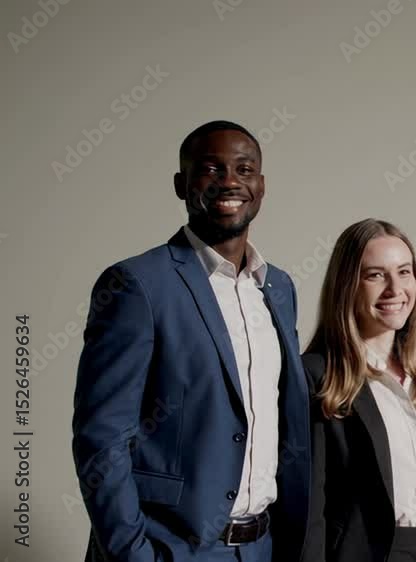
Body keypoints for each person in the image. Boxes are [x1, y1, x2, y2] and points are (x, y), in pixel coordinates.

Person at [72, 121, 311, 561]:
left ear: (261, 185)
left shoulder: (278, 289)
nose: (230, 182)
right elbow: (101, 438)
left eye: (244, 169)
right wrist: (134, 554)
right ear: (182, 185)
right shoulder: (137, 285)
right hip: (173, 548)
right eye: (211, 169)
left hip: (263, 547)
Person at [300, 218, 416, 562]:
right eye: (375, 275)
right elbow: (311, 507)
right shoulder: (319, 376)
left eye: (404, 272)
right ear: (347, 285)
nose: (395, 288)